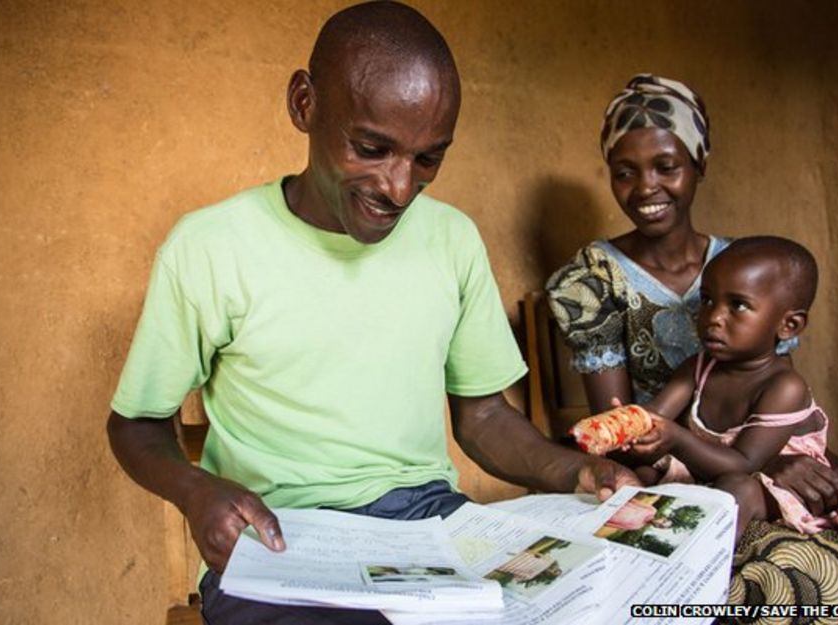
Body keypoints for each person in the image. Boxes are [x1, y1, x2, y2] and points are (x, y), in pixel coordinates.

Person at [106, 2, 637, 623]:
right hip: (283, 538)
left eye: (428, 159)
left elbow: (486, 416)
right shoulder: (211, 247)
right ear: (305, 104)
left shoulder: (452, 240)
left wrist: (580, 472)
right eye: (372, 147)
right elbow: (136, 426)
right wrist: (196, 490)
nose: (399, 188)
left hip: (429, 525)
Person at [545, 74, 838, 532]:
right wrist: (757, 468)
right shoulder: (590, 281)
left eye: (667, 166)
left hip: (741, 463)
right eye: (624, 172)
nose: (645, 188)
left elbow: (775, 414)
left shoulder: (752, 269)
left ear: (699, 164)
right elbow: (626, 432)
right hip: (661, 464)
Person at [628, 237, 838, 536]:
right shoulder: (698, 367)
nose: (714, 318)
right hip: (710, 470)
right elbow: (653, 416)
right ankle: (636, 540)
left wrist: (675, 438)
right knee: (642, 468)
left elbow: (744, 463)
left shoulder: (784, 387)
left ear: (789, 326)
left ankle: (700, 557)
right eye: (707, 300)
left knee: (737, 489)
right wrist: (628, 423)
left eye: (739, 305)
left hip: (769, 483)